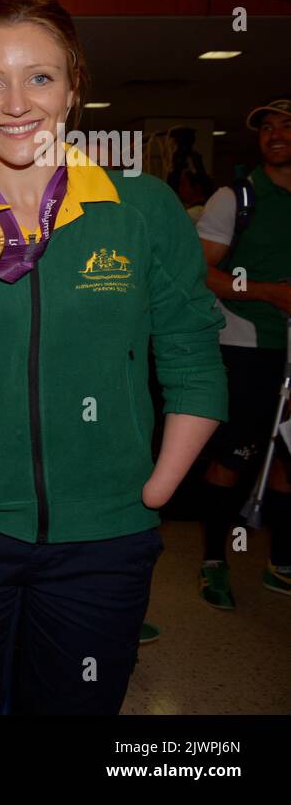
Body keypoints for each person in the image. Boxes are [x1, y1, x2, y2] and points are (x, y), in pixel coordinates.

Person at [0, 0, 226, 714]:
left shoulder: (141, 211)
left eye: (40, 77)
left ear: (75, 86)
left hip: (103, 542)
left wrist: (151, 494)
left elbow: (193, 364)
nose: (16, 101)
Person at [194, 97, 291, 605]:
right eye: (267, 127)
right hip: (248, 346)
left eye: (286, 125)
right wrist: (268, 290)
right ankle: (214, 559)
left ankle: (281, 560)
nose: (275, 134)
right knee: (237, 452)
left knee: (287, 455)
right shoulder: (238, 199)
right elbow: (204, 274)